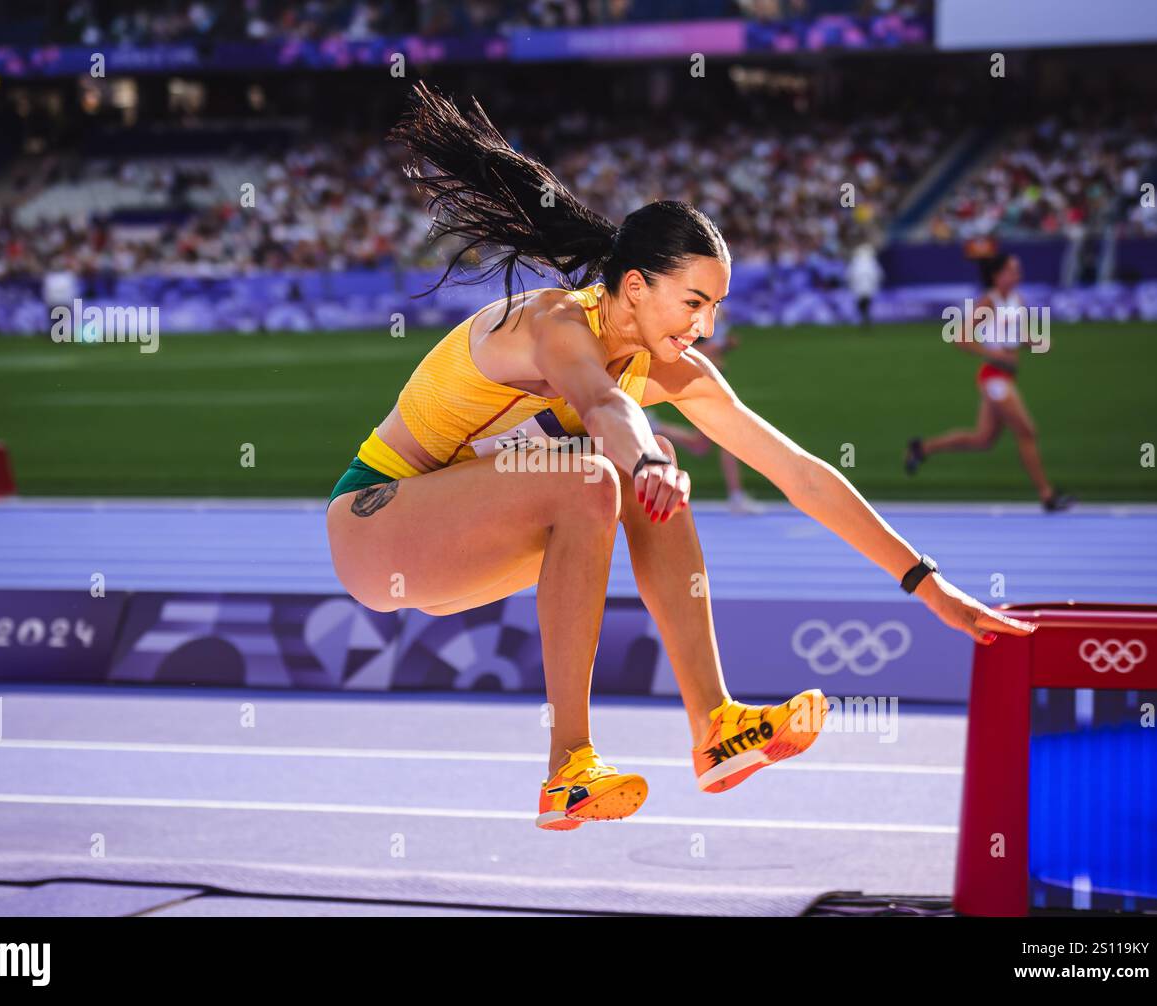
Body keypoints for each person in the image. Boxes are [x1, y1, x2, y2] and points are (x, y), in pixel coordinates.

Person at [325, 82, 1037, 831]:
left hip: (465, 545)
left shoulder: (671, 367)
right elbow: (603, 408)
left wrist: (929, 586)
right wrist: (644, 464)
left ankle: (716, 728)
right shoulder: (555, 325)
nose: (705, 325)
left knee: (628, 465)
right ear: (634, 286)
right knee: (599, 474)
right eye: (694, 303)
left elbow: (798, 473)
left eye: (717, 308)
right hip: (377, 526)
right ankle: (568, 766)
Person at [905, 252, 1075, 512]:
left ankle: (922, 448)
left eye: (1018, 269)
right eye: (1012, 270)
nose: (1018, 274)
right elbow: (960, 337)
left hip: (1006, 376)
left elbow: (1013, 336)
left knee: (983, 440)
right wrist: (992, 353)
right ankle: (1047, 494)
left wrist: (1035, 343)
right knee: (1027, 432)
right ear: (997, 275)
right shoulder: (989, 302)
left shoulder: (1017, 300)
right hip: (993, 377)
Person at [645, 301, 768, 514]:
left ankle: (652, 426)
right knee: (731, 438)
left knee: (700, 445)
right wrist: (724, 346)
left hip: (716, 378)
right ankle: (736, 496)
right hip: (703, 380)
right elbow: (689, 350)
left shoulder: (719, 309)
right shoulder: (695, 312)